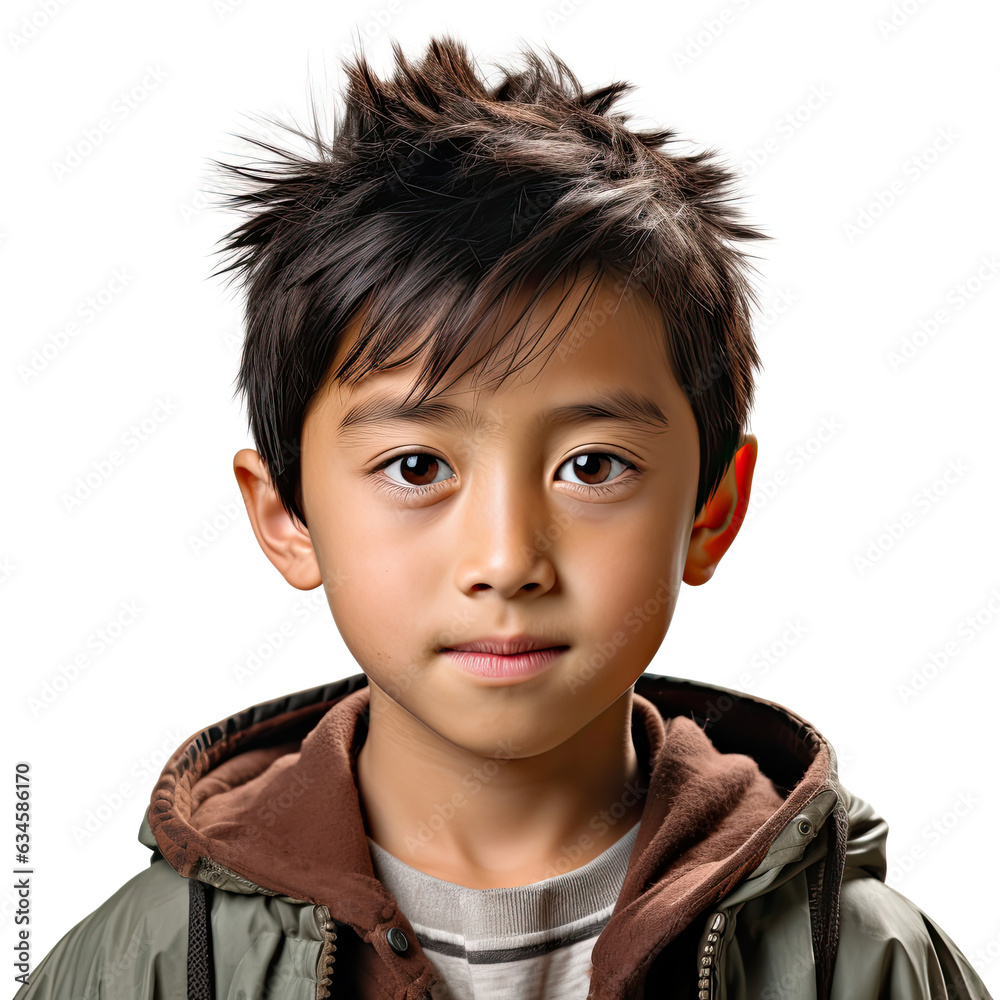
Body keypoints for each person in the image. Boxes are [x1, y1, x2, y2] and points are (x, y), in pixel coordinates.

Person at [15, 33, 991, 1000]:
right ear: (286, 516)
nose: (505, 557)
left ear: (711, 510)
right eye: (415, 464)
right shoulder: (141, 966)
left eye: (591, 465)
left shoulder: (859, 963)